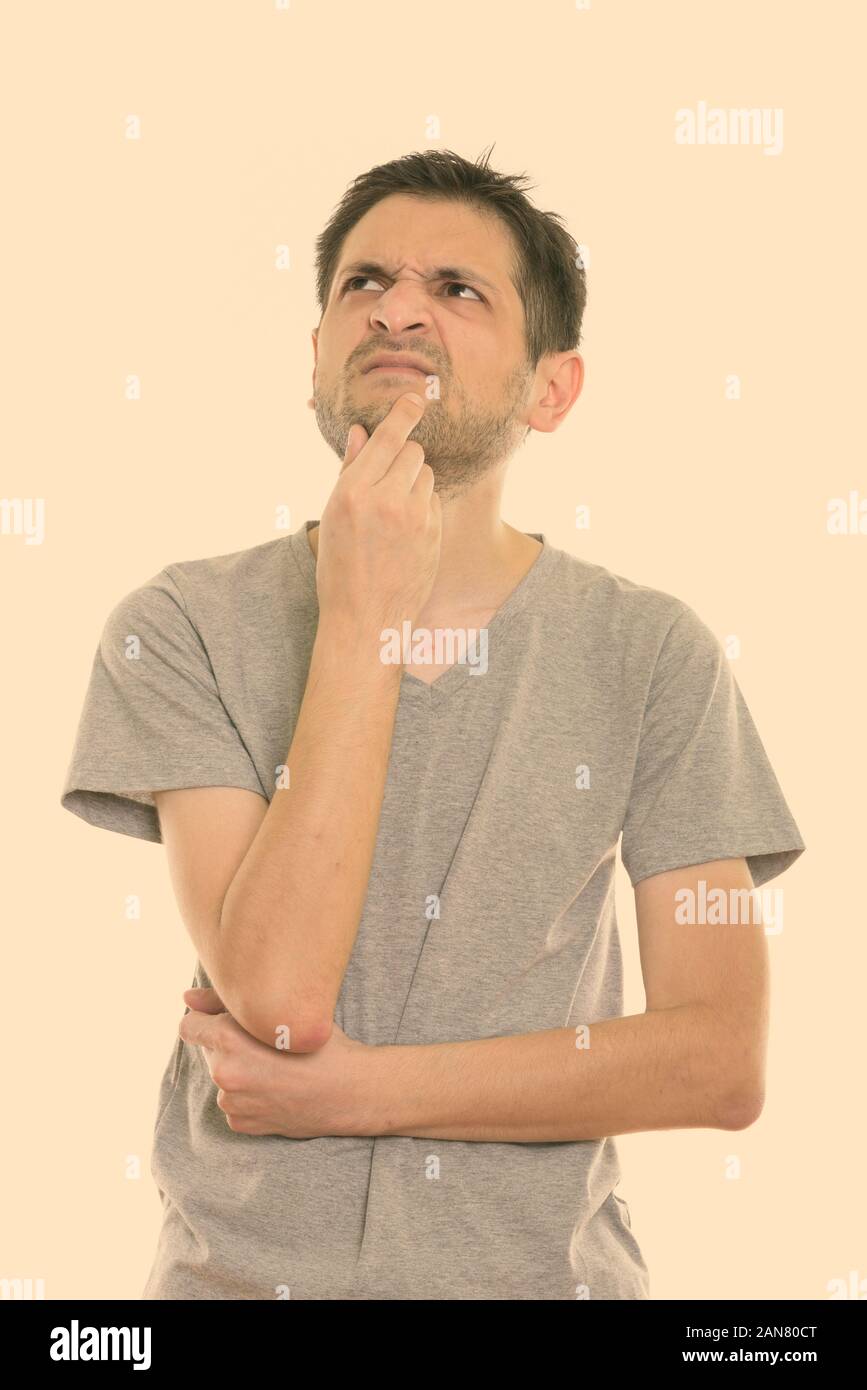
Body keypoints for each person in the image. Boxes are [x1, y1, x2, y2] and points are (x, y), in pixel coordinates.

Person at [60, 147, 805, 1301]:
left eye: (459, 289)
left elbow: (717, 1061)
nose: (398, 307)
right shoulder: (180, 626)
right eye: (363, 283)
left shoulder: (654, 654)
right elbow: (280, 999)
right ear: (315, 354)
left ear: (552, 388)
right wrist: (361, 620)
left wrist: (359, 1091)